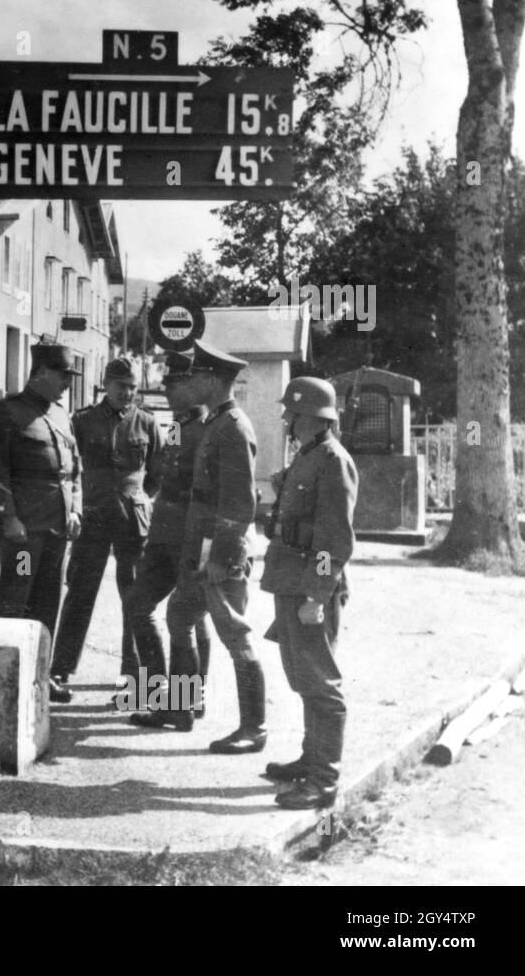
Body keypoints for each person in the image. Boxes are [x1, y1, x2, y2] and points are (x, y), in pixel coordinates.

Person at [261, 377, 358, 810]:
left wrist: (317, 596)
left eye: (292, 414)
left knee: (321, 684)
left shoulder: (333, 460)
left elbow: (332, 539)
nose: (286, 420)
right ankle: (310, 758)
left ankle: (324, 780)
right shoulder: (309, 456)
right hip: (290, 580)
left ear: (313, 418)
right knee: (302, 678)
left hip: (310, 588)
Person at [50, 357, 161, 702]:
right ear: (105, 385)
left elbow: (156, 475)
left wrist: (136, 498)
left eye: (131, 387)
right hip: (93, 516)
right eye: (120, 386)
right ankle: (60, 669)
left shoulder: (147, 422)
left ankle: (133, 678)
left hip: (132, 520)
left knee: (135, 598)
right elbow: (69, 468)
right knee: (80, 591)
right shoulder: (81, 421)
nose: (127, 392)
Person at [174, 340, 266, 755]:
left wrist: (222, 559)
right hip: (203, 550)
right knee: (179, 616)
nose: (190, 381)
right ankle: (183, 705)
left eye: (196, 375)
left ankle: (254, 728)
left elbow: (240, 503)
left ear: (213, 379)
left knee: (236, 635)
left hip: (221, 556)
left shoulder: (233, 428)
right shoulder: (216, 423)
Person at [0, 342, 82, 701]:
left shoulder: (60, 415)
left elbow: (75, 471)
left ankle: (40, 676)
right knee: (15, 599)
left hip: (57, 530)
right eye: (63, 375)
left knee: (46, 603)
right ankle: (0, 678)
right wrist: (8, 518)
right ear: (40, 373)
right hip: (24, 533)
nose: (68, 383)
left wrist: (75, 511)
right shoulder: (6, 413)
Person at [124, 351, 213, 730]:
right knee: (139, 605)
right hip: (164, 534)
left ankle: (186, 702)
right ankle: (174, 700)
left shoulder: (209, 429)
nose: (166, 390)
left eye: (172, 385)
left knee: (189, 617)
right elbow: (161, 474)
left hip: (189, 538)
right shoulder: (178, 424)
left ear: (192, 385)